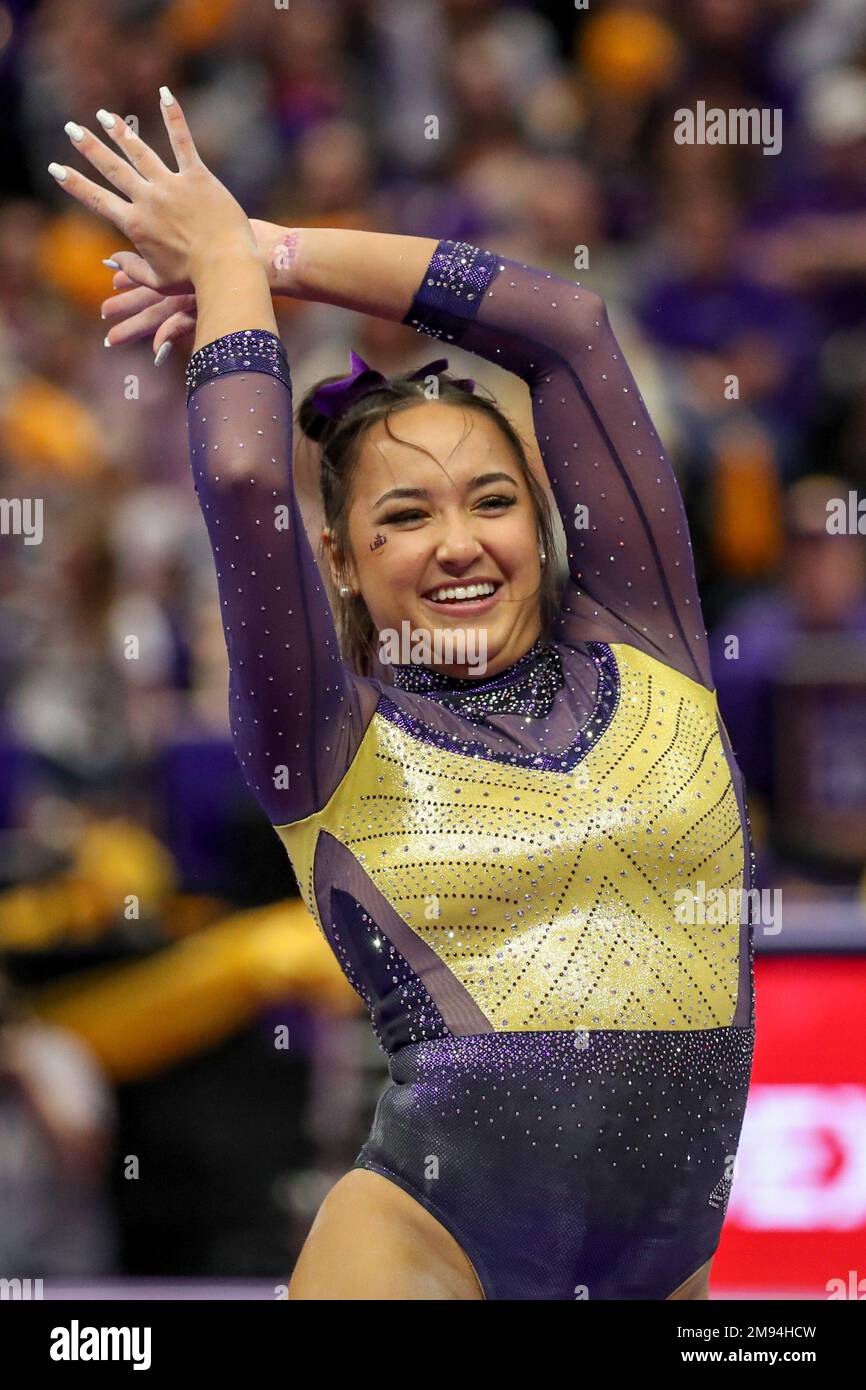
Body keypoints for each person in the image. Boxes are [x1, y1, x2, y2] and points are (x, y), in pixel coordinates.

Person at [49, 90, 755, 1300]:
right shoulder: (326, 735)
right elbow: (239, 468)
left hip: (663, 1278)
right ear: (341, 560)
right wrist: (224, 271)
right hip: (421, 1254)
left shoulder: (651, 643)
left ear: (540, 520)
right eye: (402, 514)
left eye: (489, 499)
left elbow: (566, 325)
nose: (458, 542)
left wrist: (273, 248)